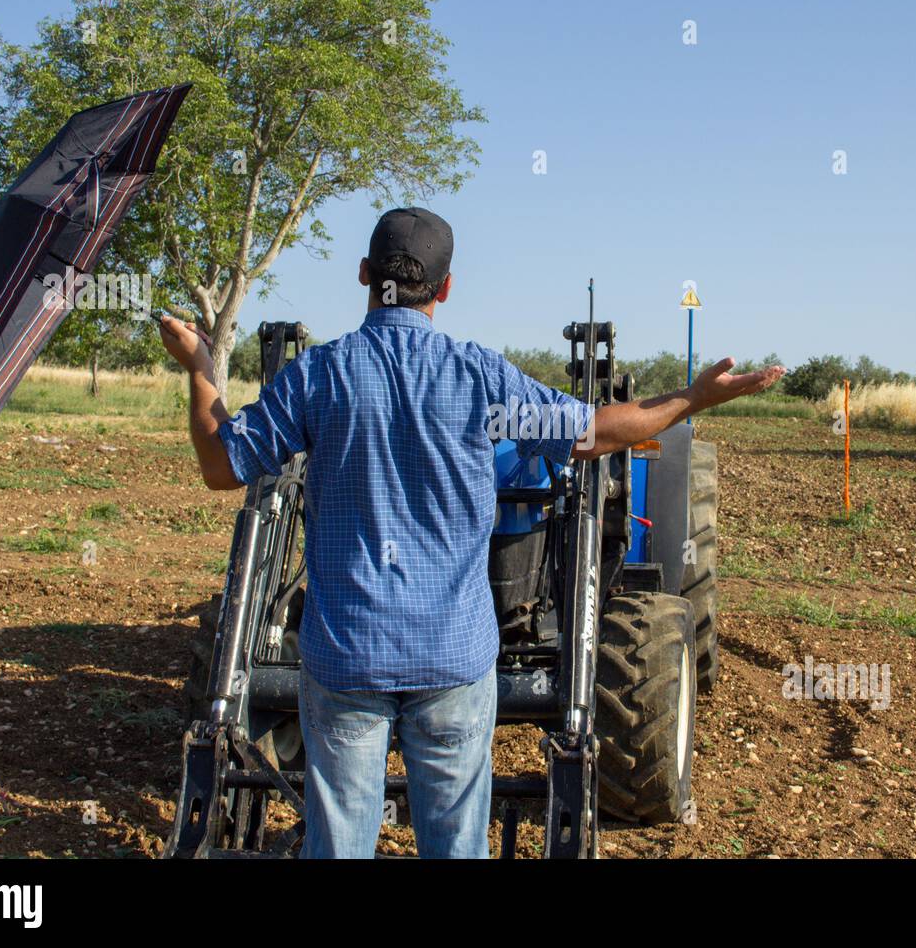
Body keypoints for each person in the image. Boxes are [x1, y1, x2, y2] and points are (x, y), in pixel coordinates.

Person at [158, 206, 784, 858]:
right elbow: (597, 433)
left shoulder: (319, 375)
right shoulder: (479, 377)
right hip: (451, 663)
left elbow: (221, 465)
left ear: (366, 274)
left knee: (338, 842)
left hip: (346, 660)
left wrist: (202, 371)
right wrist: (694, 398)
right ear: (447, 287)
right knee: (457, 846)